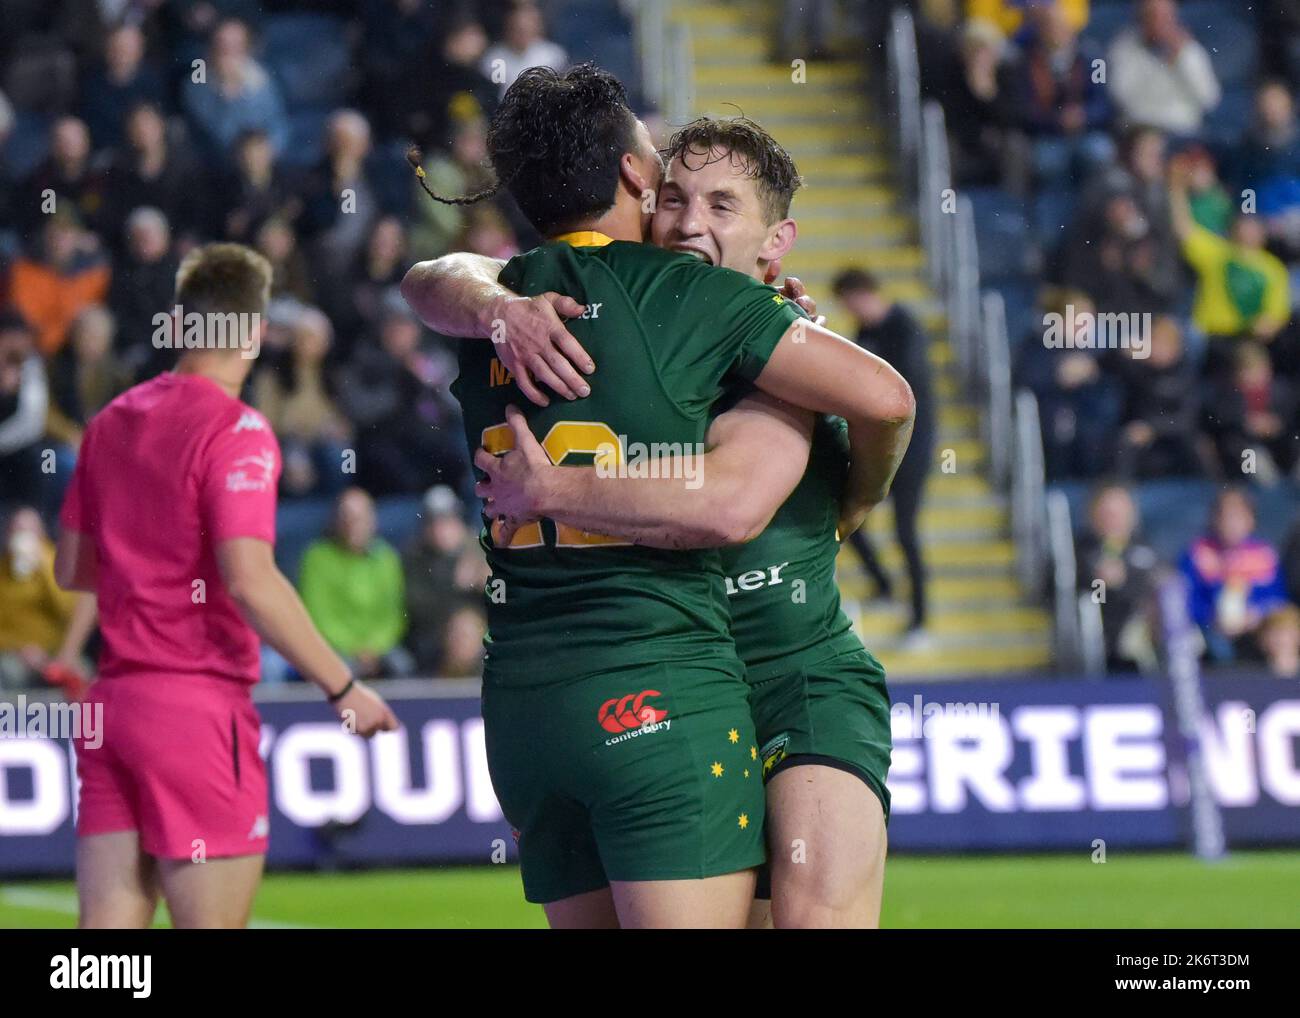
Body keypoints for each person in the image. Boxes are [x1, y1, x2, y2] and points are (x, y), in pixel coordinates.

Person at [402, 69, 914, 929]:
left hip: (793, 673)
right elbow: (438, 274)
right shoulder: (632, 308)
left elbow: (871, 416)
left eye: (722, 207)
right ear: (641, 184)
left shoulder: (764, 331)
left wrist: (859, 501)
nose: (687, 221)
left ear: (776, 240)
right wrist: (496, 306)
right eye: (676, 197)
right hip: (685, 677)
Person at [55, 243, 396, 930]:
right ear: (256, 332)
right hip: (194, 712)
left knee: (103, 955)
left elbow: (72, 571)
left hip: (112, 705)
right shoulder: (239, 432)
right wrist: (343, 687)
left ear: (182, 324)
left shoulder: (110, 423)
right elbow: (248, 580)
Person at [833, 267, 934, 642]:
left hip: (914, 446)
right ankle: (885, 587)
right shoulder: (864, 333)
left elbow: (905, 392)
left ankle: (921, 620)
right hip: (880, 445)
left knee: (905, 531)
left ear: (863, 294)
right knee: (849, 519)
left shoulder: (905, 328)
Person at [298, 487, 413, 678]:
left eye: (360, 517)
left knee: (404, 666)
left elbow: (394, 615)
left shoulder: (387, 558)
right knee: (336, 670)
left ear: (373, 520)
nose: (353, 524)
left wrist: (374, 648)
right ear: (336, 521)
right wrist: (354, 649)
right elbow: (318, 616)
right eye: (347, 516)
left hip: (380, 649)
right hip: (336, 648)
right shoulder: (317, 558)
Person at [1179, 488, 1290, 664]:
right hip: (1212, 631)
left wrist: (1257, 614)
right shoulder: (1198, 553)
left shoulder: (1264, 554)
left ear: (1250, 520)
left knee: (1284, 634)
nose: (1232, 523)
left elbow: (1278, 598)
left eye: (1238, 517)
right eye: (1226, 516)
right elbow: (1186, 599)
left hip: (1257, 630)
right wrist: (1212, 618)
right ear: (1215, 519)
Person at [402, 485, 490, 675]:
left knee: (468, 630)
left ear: (459, 522)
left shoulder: (479, 551)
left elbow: (506, 601)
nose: (439, 529)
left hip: (478, 635)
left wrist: (486, 584)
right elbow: (416, 609)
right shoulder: (414, 559)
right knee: (461, 632)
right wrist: (454, 584)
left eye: (447, 520)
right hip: (433, 638)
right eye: (433, 522)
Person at [1074, 482, 1159, 672]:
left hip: (1139, 639)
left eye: (1118, 513)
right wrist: (1100, 583)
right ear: (1092, 515)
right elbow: (1086, 597)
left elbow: (1148, 591)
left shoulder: (1144, 550)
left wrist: (1121, 583)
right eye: (1106, 513)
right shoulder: (1079, 551)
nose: (1112, 520)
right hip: (1095, 641)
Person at [1108, 0, 1220, 137]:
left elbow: (1209, 99)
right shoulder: (1124, 47)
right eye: (1152, 15)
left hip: (1181, 132)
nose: (1158, 23)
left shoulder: (1189, 50)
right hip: (1138, 131)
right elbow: (1118, 95)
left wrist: (1181, 59)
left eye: (1164, 17)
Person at [0, 507, 78, 690]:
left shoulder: (56, 563)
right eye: (18, 530)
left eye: (30, 531)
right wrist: (20, 649)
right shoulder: (3, 572)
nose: (23, 536)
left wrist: (45, 567)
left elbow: (69, 612)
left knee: (83, 676)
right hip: (14, 654)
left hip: (56, 652)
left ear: (41, 534)